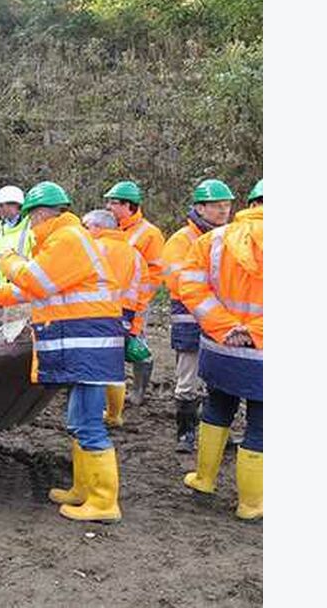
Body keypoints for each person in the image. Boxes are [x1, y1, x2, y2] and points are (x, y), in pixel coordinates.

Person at [0, 181, 124, 522]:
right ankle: (83, 489)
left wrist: (10, 258)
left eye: (31, 218)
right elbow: (45, 288)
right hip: (82, 345)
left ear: (41, 214)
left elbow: (36, 281)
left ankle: (104, 502)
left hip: (87, 346)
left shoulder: (67, 239)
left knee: (89, 424)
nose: (30, 226)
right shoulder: (65, 239)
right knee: (78, 421)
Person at [178, 179, 262, 520]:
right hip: (265, 352)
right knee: (262, 425)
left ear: (251, 202)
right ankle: (251, 503)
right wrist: (254, 332)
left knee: (217, 407)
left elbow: (191, 288)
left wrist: (227, 328)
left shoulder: (212, 240)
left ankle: (204, 479)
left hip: (221, 347)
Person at [162, 179, 236, 452]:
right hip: (190, 320)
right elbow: (177, 281)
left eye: (226, 205)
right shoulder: (182, 239)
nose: (223, 210)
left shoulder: (232, 235)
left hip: (221, 322)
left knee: (218, 380)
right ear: (200, 208)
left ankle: (217, 435)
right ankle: (186, 434)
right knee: (187, 380)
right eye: (217, 205)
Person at [81, 210, 149, 429]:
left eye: (86, 226)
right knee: (114, 366)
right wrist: (135, 326)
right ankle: (114, 415)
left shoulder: (92, 249)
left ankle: (93, 416)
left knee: (93, 366)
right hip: (124, 317)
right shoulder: (135, 255)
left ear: (98, 227)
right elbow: (143, 293)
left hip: (94, 314)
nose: (84, 231)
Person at [103, 180, 166, 405]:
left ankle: (138, 391)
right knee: (111, 345)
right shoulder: (109, 227)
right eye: (107, 202)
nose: (108, 207)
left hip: (134, 302)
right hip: (108, 301)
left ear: (129, 205)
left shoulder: (149, 233)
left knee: (135, 343)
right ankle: (113, 389)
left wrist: (140, 301)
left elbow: (156, 272)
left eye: (113, 203)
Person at [0, 185, 34, 286]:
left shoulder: (31, 227)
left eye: (1, 205)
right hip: (4, 291)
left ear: (14, 205)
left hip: (26, 288)